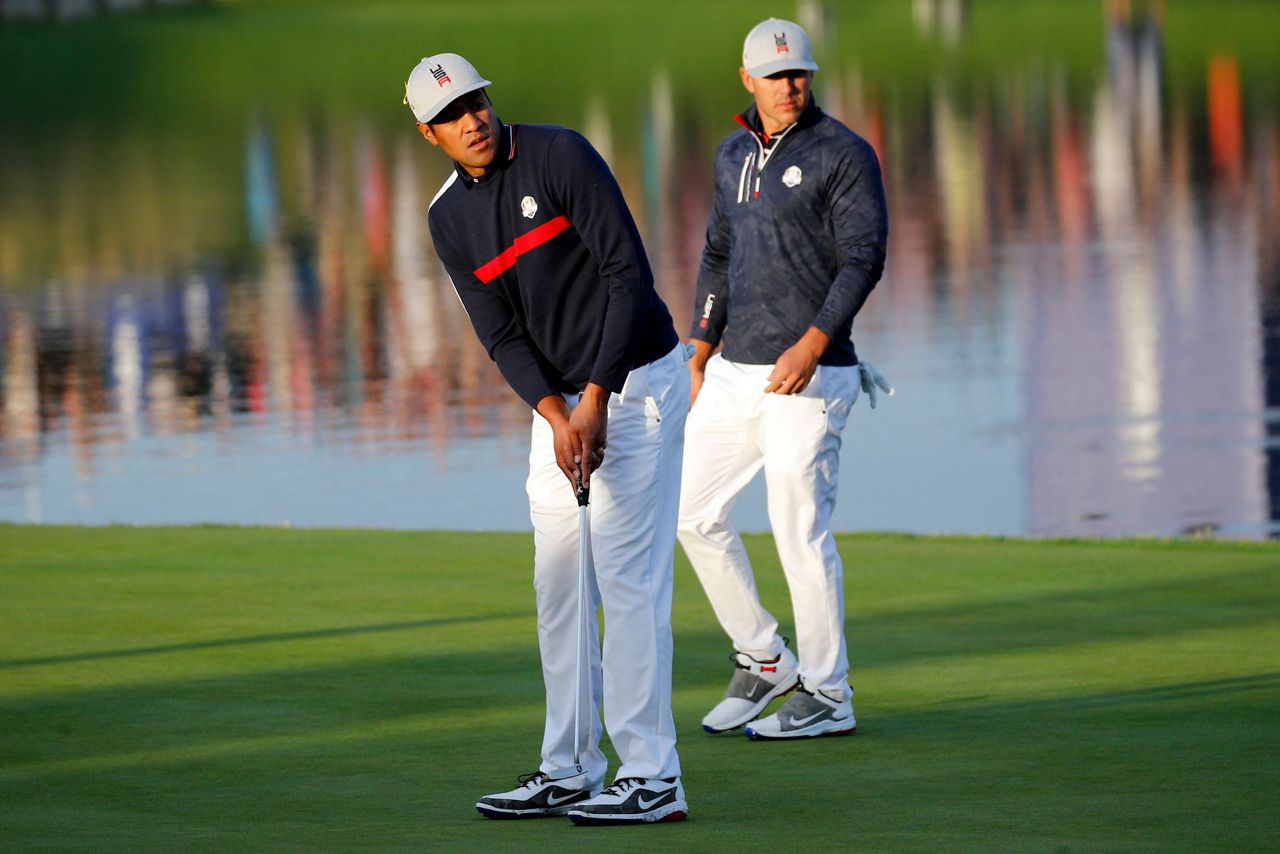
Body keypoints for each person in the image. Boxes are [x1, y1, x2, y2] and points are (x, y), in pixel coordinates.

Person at [406, 53, 689, 824]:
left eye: (476, 101)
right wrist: (557, 415)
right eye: (451, 115)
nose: (472, 120)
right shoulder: (447, 218)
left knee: (627, 582)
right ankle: (569, 766)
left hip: (638, 383)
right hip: (560, 406)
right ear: (429, 134)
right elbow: (499, 334)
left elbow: (628, 276)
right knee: (559, 583)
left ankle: (652, 776)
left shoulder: (560, 155)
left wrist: (596, 395)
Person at [677, 18, 890, 740]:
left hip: (813, 376)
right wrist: (700, 347)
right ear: (748, 80)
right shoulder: (732, 153)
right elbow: (718, 252)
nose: (788, 85)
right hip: (734, 371)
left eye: (797, 72)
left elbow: (863, 257)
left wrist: (813, 342)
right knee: (691, 514)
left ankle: (828, 693)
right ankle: (765, 659)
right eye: (774, 76)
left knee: (799, 533)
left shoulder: (843, 153)